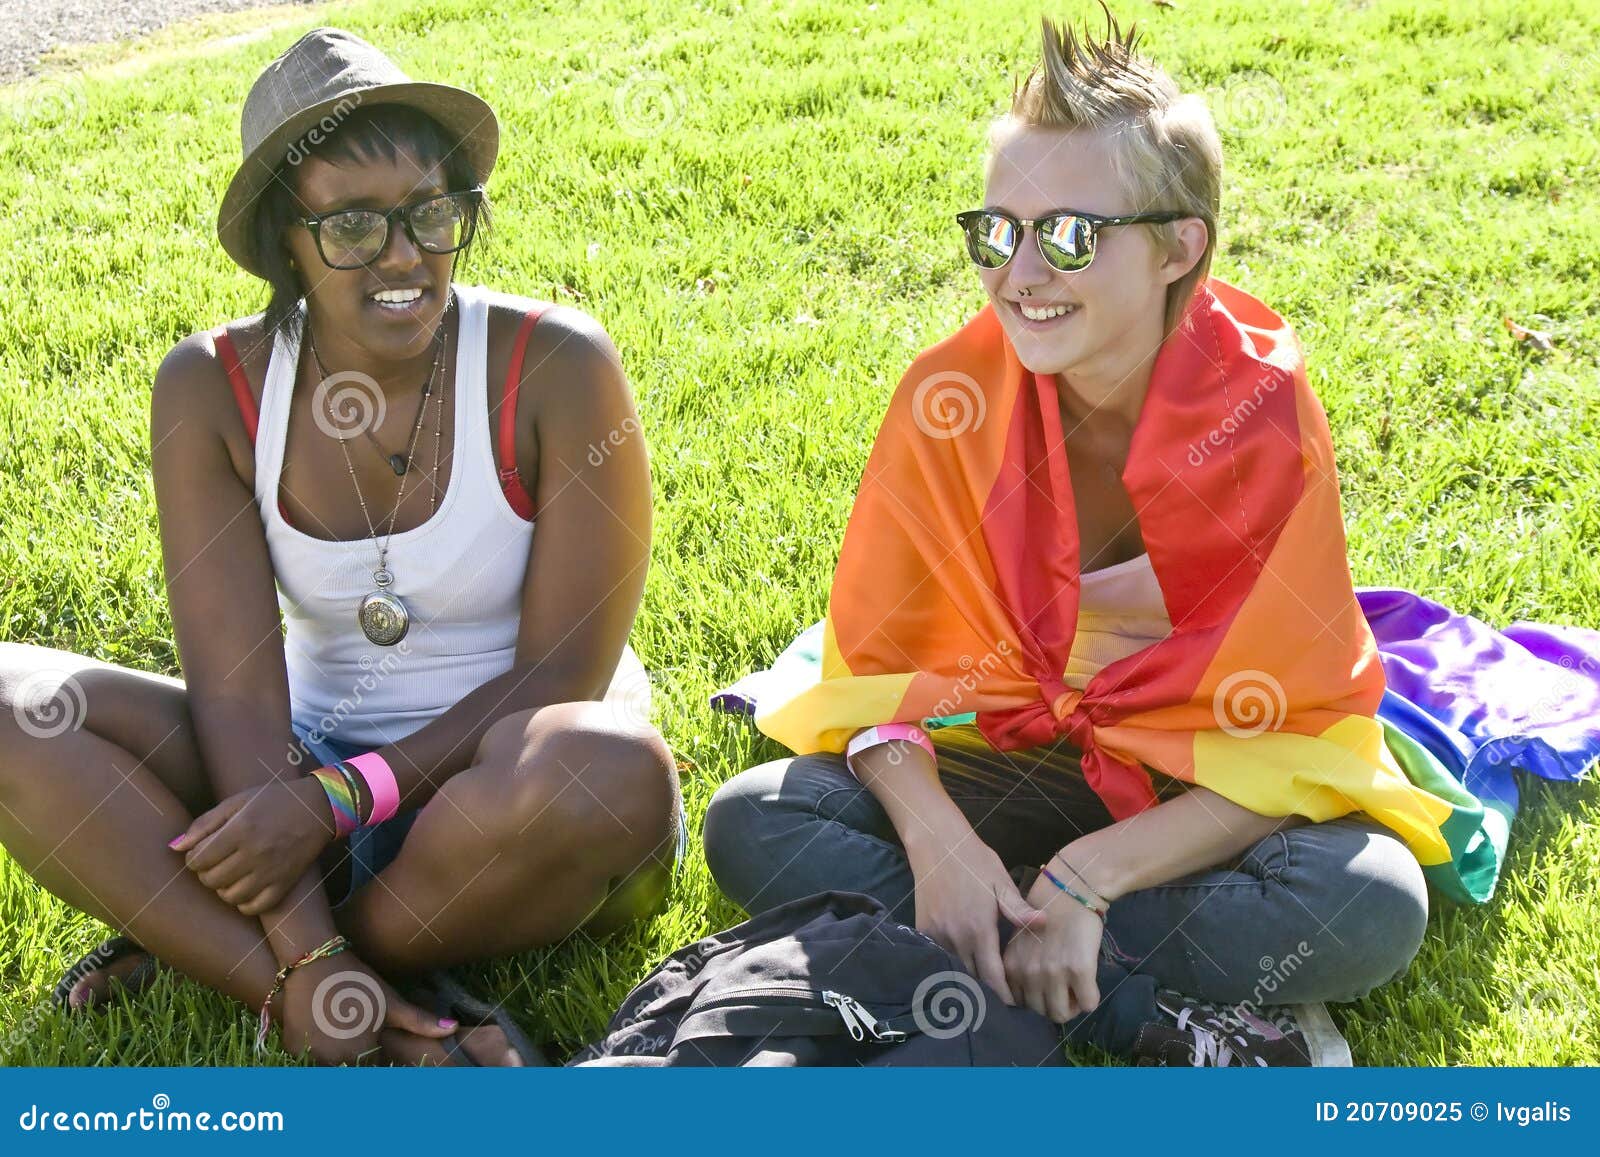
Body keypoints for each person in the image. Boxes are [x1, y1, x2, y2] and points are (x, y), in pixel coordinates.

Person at [703, 8, 1430, 1067]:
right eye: (996, 230)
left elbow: (1292, 730)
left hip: (1194, 778)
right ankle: (1136, 1006)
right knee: (757, 815)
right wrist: (940, 840)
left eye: (1071, 234)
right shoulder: (949, 398)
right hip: (1004, 753)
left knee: (1367, 898)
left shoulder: (1258, 414)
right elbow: (881, 680)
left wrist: (1094, 871)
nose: (1019, 274)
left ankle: (957, 966)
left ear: (1180, 246)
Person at [0, 27, 684, 1067]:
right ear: (286, 237)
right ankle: (333, 994)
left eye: (431, 214)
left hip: (512, 791)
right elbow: (235, 689)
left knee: (611, 766)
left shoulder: (554, 365)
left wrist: (334, 804)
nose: (406, 253)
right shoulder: (212, 387)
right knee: (10, 713)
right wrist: (302, 948)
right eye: (355, 225)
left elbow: (560, 674)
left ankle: (213, 939)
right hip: (290, 768)